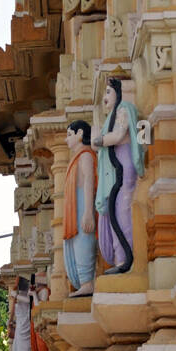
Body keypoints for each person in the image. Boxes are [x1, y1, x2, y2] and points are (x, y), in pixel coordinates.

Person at [94, 76, 145, 276]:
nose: (105, 98)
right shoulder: (112, 116)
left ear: (119, 92)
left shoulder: (125, 109)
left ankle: (126, 258)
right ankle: (120, 258)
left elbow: (117, 135)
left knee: (122, 211)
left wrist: (98, 140)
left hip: (124, 164)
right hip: (116, 168)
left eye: (108, 92)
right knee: (115, 210)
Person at [61, 120, 99, 297]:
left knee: (84, 241)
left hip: (84, 206)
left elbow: (89, 183)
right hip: (76, 207)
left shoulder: (85, 156)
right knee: (78, 242)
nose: (66, 139)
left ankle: (87, 283)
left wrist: (88, 212)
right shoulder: (79, 157)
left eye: (69, 135)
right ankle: (84, 283)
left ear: (80, 134)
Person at [7, 275, 37, 351]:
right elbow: (14, 311)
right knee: (19, 348)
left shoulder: (24, 294)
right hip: (20, 325)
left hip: (26, 323)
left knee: (26, 348)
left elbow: (28, 301)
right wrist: (10, 321)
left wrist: (16, 295)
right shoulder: (17, 295)